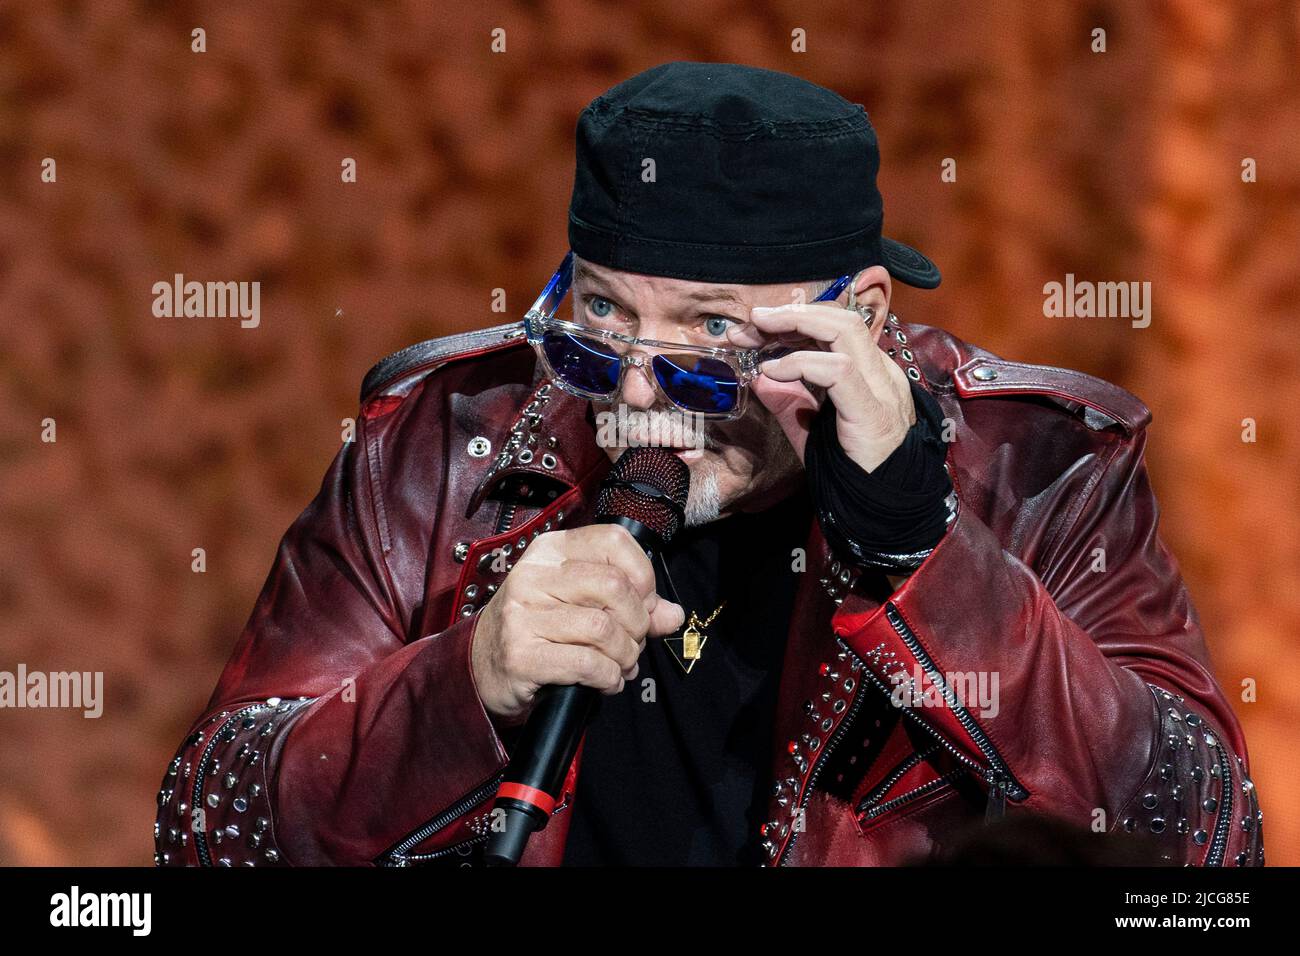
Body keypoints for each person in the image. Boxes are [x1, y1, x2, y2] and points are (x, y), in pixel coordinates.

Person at [154, 62, 1263, 867]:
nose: (637, 393)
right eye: (599, 317)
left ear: (859, 323)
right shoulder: (440, 439)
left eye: (710, 341)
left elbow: (1198, 839)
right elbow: (209, 825)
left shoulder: (1043, 466)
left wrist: (924, 551)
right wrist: (463, 688)